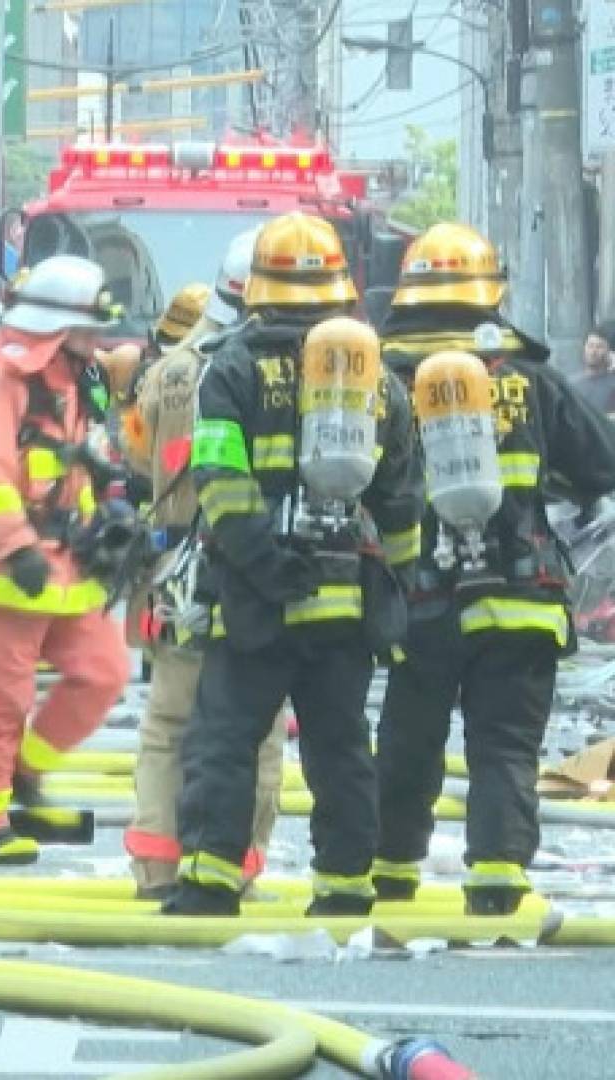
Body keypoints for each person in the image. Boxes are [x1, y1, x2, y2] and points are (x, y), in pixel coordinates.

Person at [164, 213, 424, 916]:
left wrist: (263, 563)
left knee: (225, 740)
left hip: (255, 599)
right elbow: (401, 493)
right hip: (345, 600)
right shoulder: (373, 375)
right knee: (341, 747)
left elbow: (219, 479)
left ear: (257, 287)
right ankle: (344, 886)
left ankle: (210, 883)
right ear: (341, 286)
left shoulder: (231, 367)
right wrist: (398, 587)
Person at [374, 224, 615, 914]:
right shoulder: (530, 378)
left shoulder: (382, 379)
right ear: (489, 293)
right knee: (506, 746)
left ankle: (390, 873)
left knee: (408, 741)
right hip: (521, 594)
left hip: (421, 599)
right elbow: (601, 465)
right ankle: (497, 881)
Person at [0, 255, 133, 864]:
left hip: (68, 564)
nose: (96, 342)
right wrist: (18, 548)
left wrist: (106, 517)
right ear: (58, 329)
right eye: (88, 330)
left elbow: (73, 465)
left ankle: (23, 772)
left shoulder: (74, 387)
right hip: (4, 571)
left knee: (104, 673)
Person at [122, 259, 287, 899]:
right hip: (254, 568)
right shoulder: (277, 371)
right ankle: (237, 868)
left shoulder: (167, 371)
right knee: (256, 730)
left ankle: (157, 869)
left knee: (168, 725)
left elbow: (139, 458)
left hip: (174, 571)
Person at [572, 324, 615, 413]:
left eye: (599, 347)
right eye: (590, 346)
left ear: (608, 352)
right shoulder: (571, 384)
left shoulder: (612, 385)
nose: (593, 351)